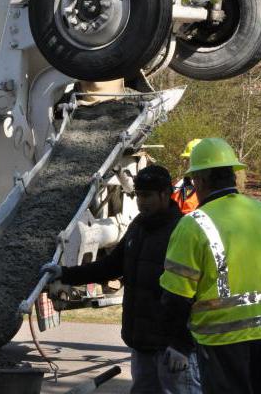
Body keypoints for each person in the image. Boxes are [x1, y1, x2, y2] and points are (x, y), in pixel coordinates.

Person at [41, 165, 202, 393]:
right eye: (138, 195)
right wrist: (65, 273)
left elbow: (191, 293)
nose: (141, 202)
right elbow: (110, 266)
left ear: (165, 194)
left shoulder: (182, 231)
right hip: (142, 344)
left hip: (171, 349)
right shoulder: (138, 227)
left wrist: (181, 344)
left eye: (147, 196)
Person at [160, 138, 261, 394]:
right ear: (233, 175)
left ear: (200, 180)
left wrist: (177, 343)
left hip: (224, 339)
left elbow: (175, 296)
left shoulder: (193, 224)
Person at [171, 139, 201, 214]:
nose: (186, 162)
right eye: (186, 159)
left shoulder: (213, 189)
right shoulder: (179, 186)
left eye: (189, 160)